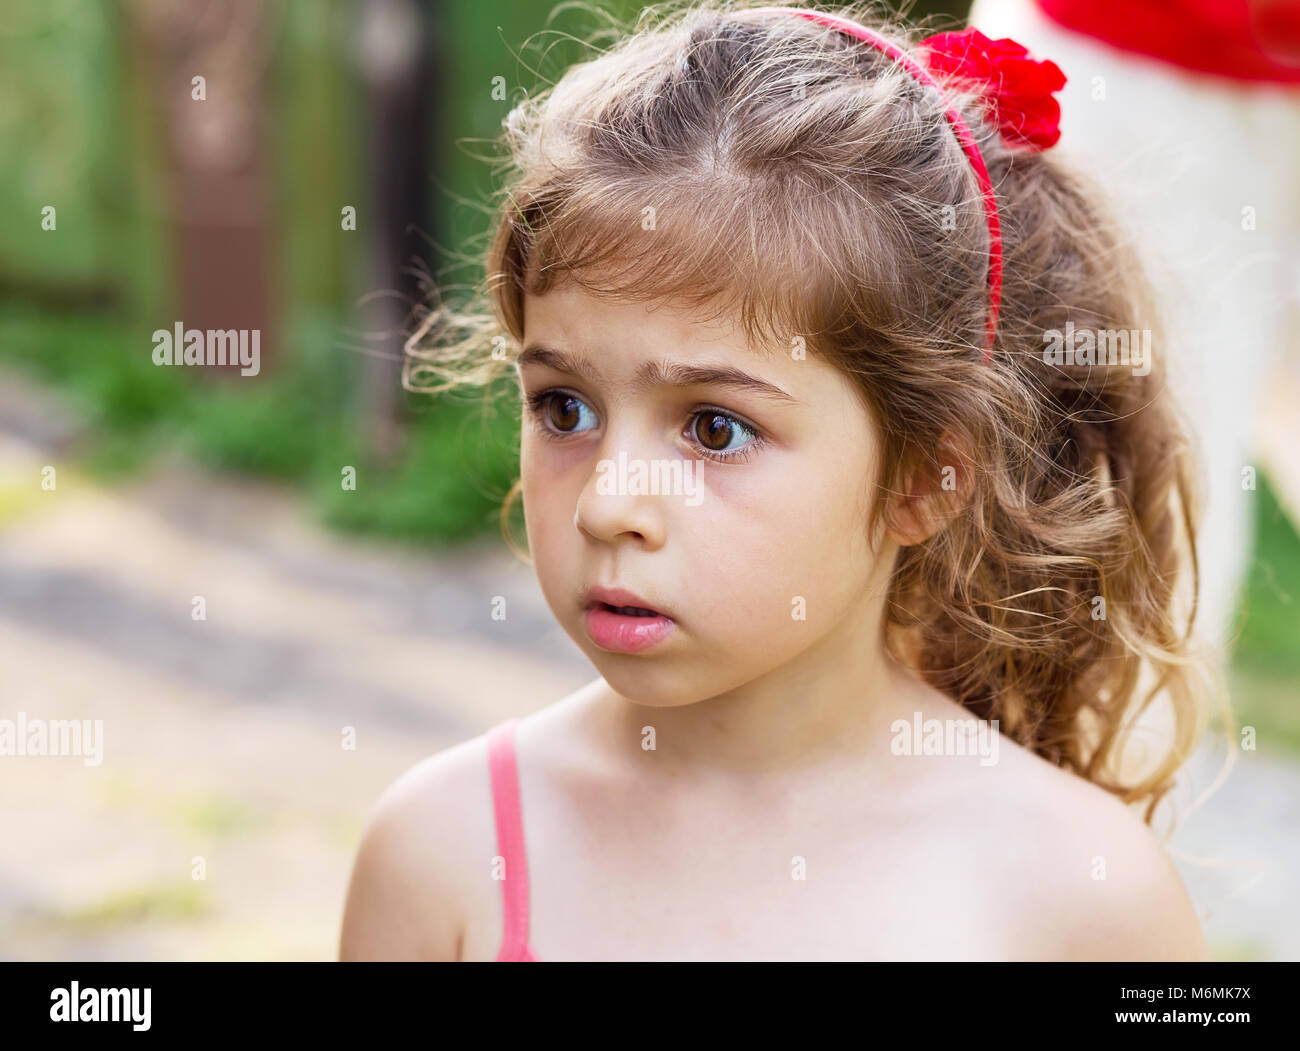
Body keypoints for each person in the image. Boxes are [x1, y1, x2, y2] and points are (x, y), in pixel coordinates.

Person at [339, 2, 1217, 962]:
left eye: (717, 429)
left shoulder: (1086, 897)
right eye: (564, 409)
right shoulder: (446, 855)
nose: (606, 504)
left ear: (926, 479)